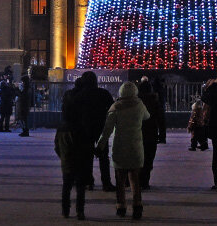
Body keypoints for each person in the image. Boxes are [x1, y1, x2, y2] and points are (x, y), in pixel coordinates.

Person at [96, 81, 150, 220]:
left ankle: (121, 206)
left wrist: (101, 145)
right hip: (136, 147)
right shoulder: (139, 105)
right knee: (135, 179)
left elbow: (107, 130)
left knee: (120, 180)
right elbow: (147, 117)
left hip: (120, 148)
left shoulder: (116, 107)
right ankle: (137, 205)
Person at [76, 71, 115, 191]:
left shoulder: (80, 95)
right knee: (103, 157)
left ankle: (88, 182)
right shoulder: (103, 93)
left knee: (86, 157)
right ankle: (106, 183)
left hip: (85, 129)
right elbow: (112, 107)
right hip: (100, 128)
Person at [57, 77, 91, 220]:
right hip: (80, 162)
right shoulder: (81, 128)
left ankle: (65, 211)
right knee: (80, 187)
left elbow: (57, 146)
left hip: (67, 162)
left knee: (66, 186)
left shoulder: (62, 129)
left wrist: (63, 155)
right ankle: (80, 211)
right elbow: (85, 146)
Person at [137, 79, 161, 189]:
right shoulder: (154, 100)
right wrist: (162, 135)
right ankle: (145, 181)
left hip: (137, 132)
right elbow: (161, 118)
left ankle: (135, 179)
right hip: (151, 133)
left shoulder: (135, 101)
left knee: (137, 157)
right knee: (148, 158)